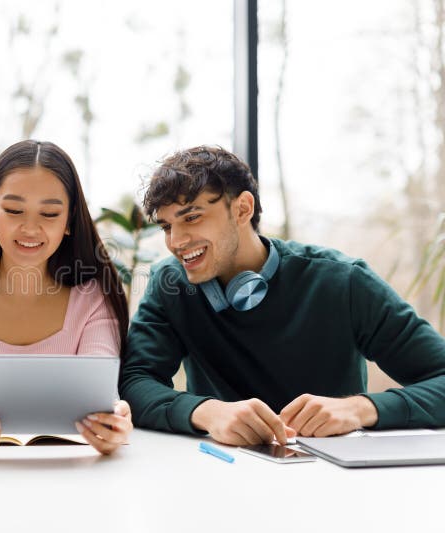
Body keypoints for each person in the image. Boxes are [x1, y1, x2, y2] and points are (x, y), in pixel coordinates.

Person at [120, 145, 445, 446]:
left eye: (192, 218)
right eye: (166, 227)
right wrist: (206, 412)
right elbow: (135, 382)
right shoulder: (171, 284)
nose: (176, 241)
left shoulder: (342, 281)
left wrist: (360, 409)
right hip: (221, 471)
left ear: (242, 209)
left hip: (329, 475)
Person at [0, 140, 132, 455]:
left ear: (69, 222)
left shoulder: (93, 299)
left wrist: (113, 425)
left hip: (70, 474)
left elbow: (102, 398)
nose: (30, 228)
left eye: (49, 213)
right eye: (13, 210)